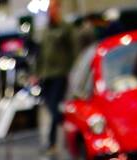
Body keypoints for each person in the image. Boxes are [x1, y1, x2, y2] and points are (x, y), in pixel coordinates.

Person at [37, 0, 82, 152]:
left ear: (58, 8)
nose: (51, 11)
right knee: (51, 108)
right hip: (46, 75)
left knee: (55, 108)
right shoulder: (46, 30)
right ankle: (66, 123)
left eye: (53, 8)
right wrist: (36, 72)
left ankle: (52, 142)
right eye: (49, 9)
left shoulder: (65, 28)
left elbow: (74, 51)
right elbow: (41, 54)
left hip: (60, 74)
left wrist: (73, 72)